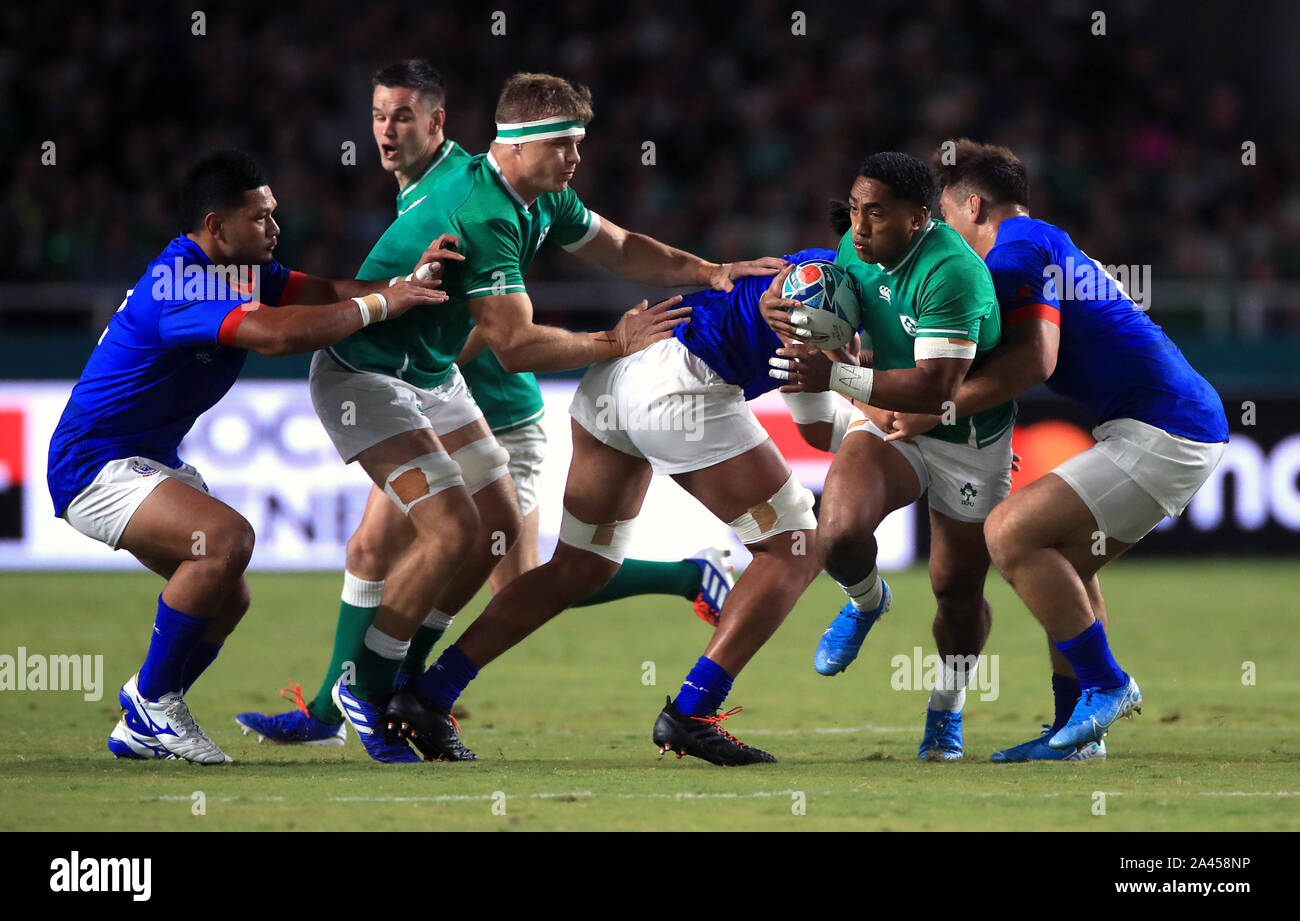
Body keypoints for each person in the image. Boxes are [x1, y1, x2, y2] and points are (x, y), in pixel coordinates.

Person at [236, 61, 735, 748]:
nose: (577, 157)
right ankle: (366, 690)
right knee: (450, 538)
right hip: (370, 374)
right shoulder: (485, 214)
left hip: (435, 376)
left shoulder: (533, 193)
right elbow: (518, 347)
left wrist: (712, 270)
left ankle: (371, 693)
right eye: (565, 144)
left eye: (579, 142)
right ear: (519, 143)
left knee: (492, 538)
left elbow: (617, 246)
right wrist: (612, 341)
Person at [45, 149, 449, 764]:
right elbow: (280, 335)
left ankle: (145, 720)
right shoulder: (178, 284)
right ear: (216, 226)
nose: (274, 228)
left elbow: (324, 292)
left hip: (144, 455)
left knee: (228, 593)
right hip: (93, 462)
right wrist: (382, 306)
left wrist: (400, 288)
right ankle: (152, 703)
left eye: (273, 213)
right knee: (226, 539)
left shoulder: (241, 268)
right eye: (259, 217)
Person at [392, 246, 854, 766]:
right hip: (681, 387)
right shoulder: (843, 276)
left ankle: (429, 696)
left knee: (581, 564)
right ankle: (692, 713)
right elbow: (791, 288)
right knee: (794, 546)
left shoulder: (841, 286)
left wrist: (865, 399)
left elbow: (819, 425)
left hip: (622, 374)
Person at [904, 139, 1227, 759]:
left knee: (1009, 534)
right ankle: (1071, 735)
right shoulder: (1046, 244)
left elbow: (1005, 341)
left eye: (945, 218)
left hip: (1166, 427)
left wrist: (915, 380)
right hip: (1168, 424)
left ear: (974, 206)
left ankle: (1106, 683)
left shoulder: (1020, 245)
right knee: (1065, 567)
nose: (945, 235)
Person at [765, 152, 1016, 761]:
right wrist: (789, 310)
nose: (858, 227)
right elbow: (833, 311)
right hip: (882, 416)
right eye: (854, 210)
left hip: (967, 440)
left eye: (875, 213)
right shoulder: (856, 249)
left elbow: (937, 389)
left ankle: (945, 711)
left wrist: (838, 376)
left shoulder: (952, 272)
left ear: (919, 217)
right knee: (839, 535)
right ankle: (868, 600)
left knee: (955, 592)